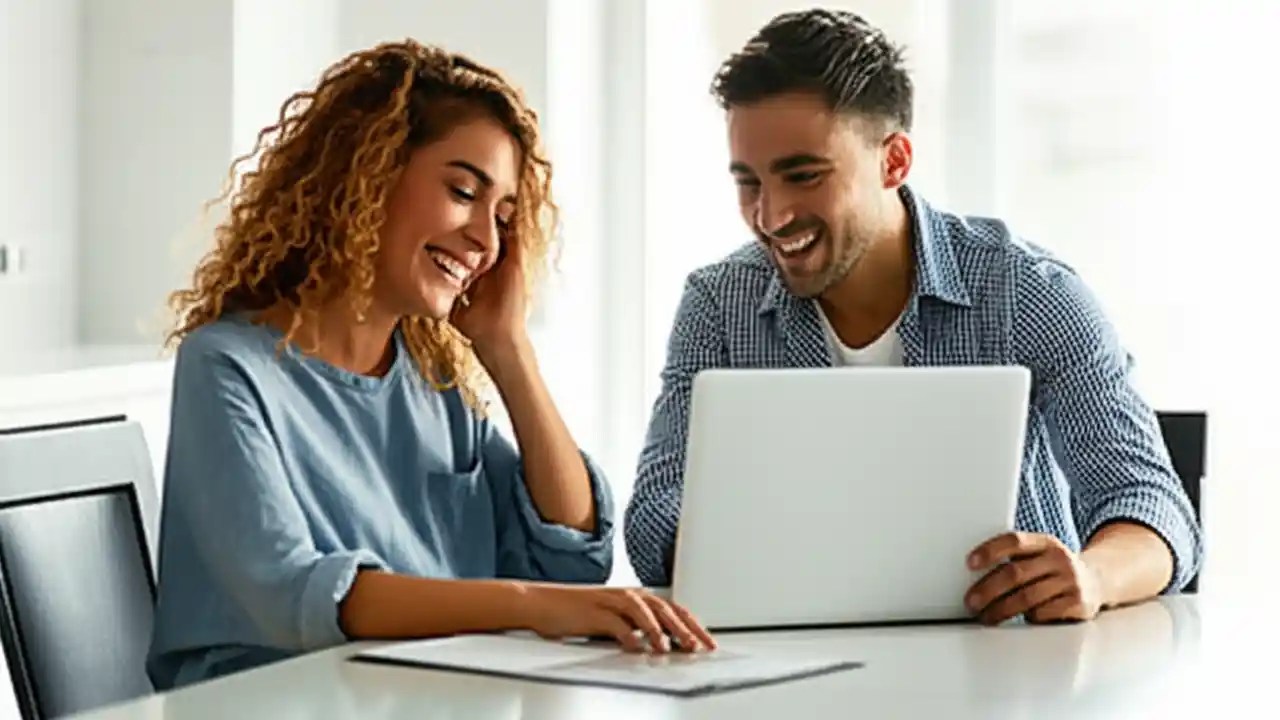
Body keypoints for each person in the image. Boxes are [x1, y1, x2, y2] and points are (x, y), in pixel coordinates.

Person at [147, 39, 714, 690]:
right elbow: (293, 594)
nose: (486, 240)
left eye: (503, 217)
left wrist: (508, 349)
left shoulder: (429, 385)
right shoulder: (227, 365)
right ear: (368, 175)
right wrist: (528, 607)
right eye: (463, 191)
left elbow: (570, 557)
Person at [624, 9, 1203, 625]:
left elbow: (1152, 507)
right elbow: (653, 520)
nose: (771, 215)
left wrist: (1093, 575)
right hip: (788, 667)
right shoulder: (718, 304)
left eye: (804, 176)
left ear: (894, 161)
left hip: (1007, 675)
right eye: (749, 183)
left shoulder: (1026, 292)